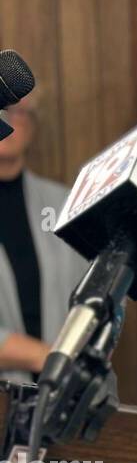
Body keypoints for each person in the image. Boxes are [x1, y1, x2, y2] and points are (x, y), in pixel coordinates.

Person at [0, 91, 88, 383]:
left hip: (58, 402)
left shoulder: (64, 205)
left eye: (16, 110)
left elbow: (91, 298)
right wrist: (46, 355)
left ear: (32, 123)